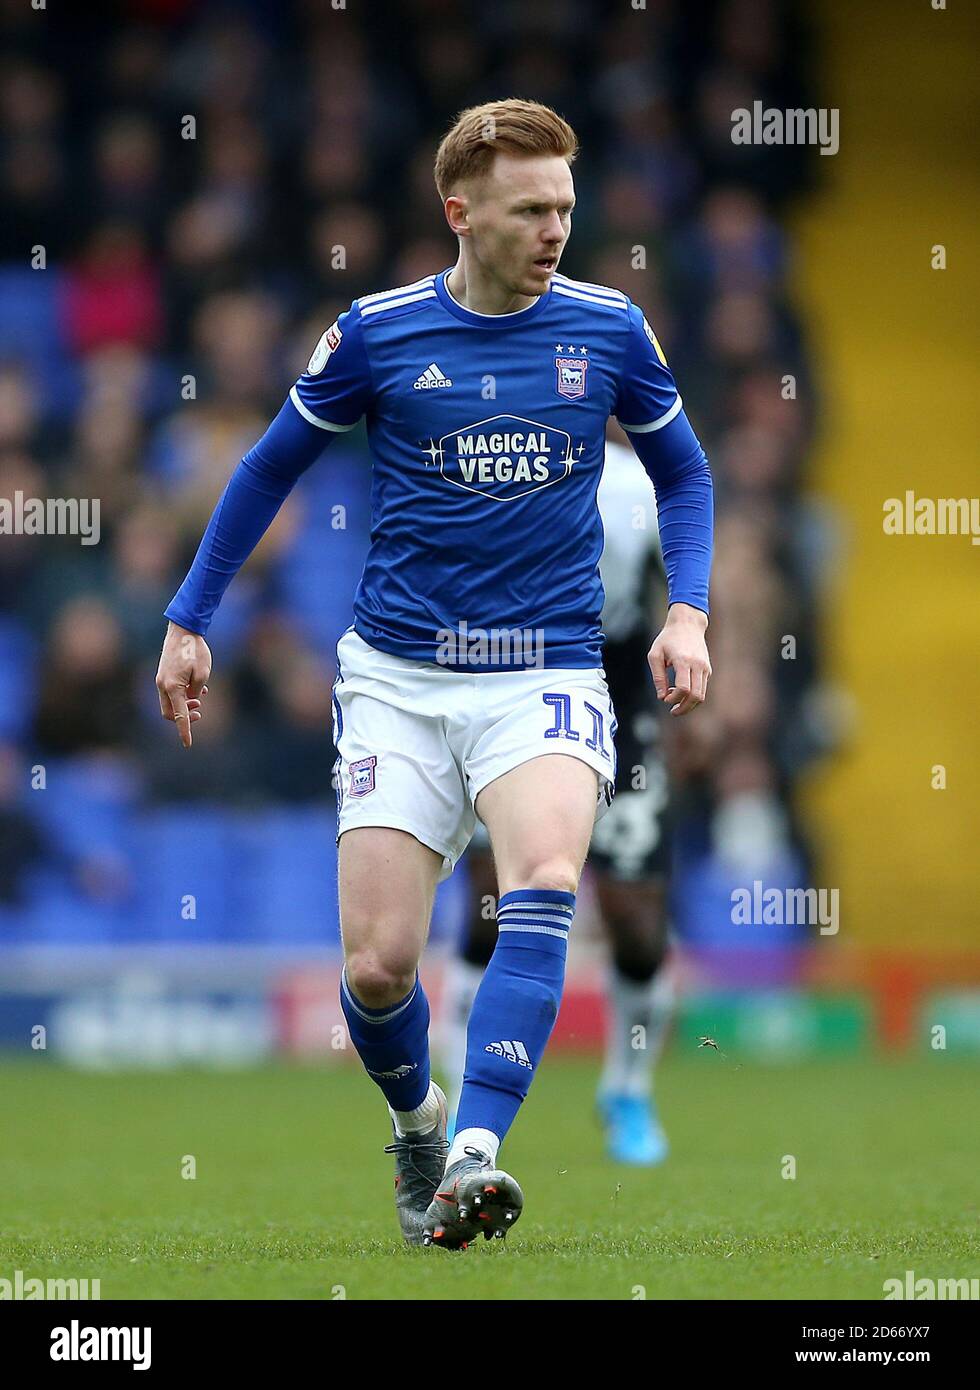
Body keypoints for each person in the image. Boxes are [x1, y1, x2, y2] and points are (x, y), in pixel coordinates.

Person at [155, 99, 713, 1251]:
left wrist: (689, 610)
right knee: (376, 965)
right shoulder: (376, 331)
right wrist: (188, 616)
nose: (556, 226)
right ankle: (418, 1120)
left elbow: (684, 474)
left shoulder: (609, 330)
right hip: (400, 679)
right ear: (460, 213)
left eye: (565, 205)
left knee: (547, 872)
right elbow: (268, 470)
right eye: (529, 209)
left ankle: (476, 1152)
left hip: (543, 670)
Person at [441, 427, 677, 1166]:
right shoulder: (502, 454)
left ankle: (628, 1090)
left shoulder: (647, 479)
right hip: (516, 677)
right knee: (489, 903)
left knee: (635, 916)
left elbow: (683, 580)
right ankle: (463, 1098)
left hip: (618, 687)